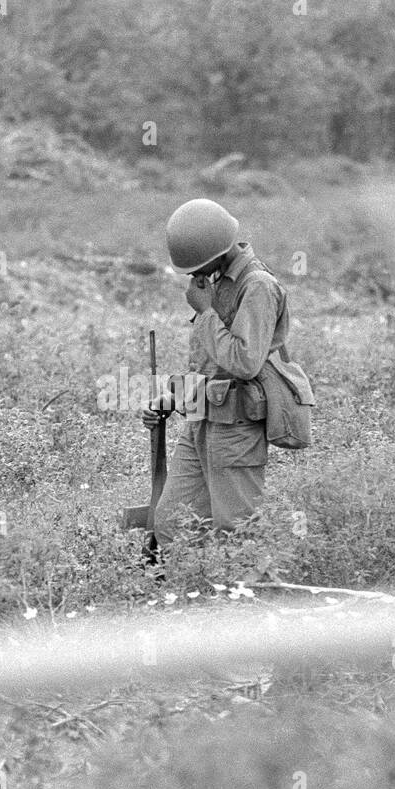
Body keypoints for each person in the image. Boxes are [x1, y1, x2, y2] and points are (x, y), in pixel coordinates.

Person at [140, 198, 312, 548]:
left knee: (239, 532)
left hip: (236, 429)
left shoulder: (258, 286)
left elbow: (244, 363)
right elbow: (210, 363)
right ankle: (193, 597)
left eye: (197, 267)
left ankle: (252, 598)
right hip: (202, 420)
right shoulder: (215, 280)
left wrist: (205, 314)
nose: (192, 276)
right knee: (173, 524)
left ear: (218, 252)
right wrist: (172, 397)